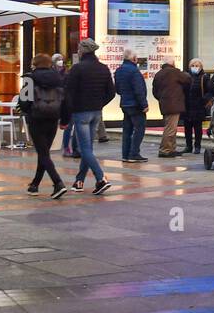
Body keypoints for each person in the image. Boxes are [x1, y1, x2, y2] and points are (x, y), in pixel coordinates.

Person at [62, 38, 115, 195]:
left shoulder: (77, 69)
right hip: (96, 112)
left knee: (83, 148)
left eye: (79, 49)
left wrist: (66, 116)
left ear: (82, 51)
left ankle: (101, 178)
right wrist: (99, 104)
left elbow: (68, 94)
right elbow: (111, 92)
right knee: (88, 148)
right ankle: (79, 181)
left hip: (81, 112)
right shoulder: (103, 68)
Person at [20, 54, 69, 199]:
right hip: (53, 119)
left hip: (36, 119)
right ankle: (35, 184)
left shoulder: (30, 78)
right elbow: (66, 101)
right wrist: (64, 120)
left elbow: (24, 102)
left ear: (35, 64)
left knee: (43, 153)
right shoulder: (59, 78)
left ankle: (58, 182)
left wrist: (27, 110)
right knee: (44, 153)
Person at [114, 49, 148, 163]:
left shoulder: (119, 71)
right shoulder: (134, 71)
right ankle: (134, 153)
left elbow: (118, 89)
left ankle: (125, 154)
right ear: (133, 59)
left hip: (125, 104)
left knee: (127, 130)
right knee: (139, 129)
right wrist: (144, 104)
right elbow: (139, 90)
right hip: (136, 105)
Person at [152, 60, 190, 157]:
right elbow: (187, 79)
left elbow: (155, 91)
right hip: (174, 104)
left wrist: (161, 98)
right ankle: (165, 149)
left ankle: (172, 148)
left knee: (171, 127)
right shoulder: (174, 72)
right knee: (170, 128)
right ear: (173, 64)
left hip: (164, 104)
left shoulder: (159, 74)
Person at [183, 58, 211, 154]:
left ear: (201, 67)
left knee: (197, 127)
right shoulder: (185, 76)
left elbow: (209, 91)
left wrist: (204, 100)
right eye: (193, 66)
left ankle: (197, 146)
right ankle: (188, 146)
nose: (195, 67)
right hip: (187, 105)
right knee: (187, 128)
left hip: (199, 106)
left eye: (197, 65)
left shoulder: (205, 77)